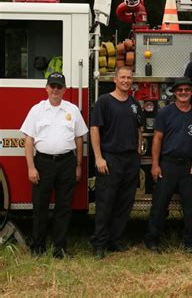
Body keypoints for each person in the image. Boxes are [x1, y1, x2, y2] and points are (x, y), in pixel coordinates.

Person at [20, 72, 88, 258]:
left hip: (67, 162)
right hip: (43, 163)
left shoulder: (72, 110)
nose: (55, 90)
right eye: (53, 86)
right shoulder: (37, 110)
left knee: (64, 207)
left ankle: (59, 248)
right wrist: (31, 167)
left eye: (59, 87)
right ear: (46, 88)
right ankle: (38, 247)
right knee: (40, 207)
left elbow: (79, 138)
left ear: (65, 89)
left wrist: (78, 165)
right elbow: (28, 140)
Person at [144, 77, 192, 253]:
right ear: (174, 93)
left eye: (187, 90)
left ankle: (190, 243)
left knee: (190, 207)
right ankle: (152, 240)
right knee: (160, 205)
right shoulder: (165, 113)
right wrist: (155, 165)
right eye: (180, 90)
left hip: (189, 166)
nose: (183, 93)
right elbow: (157, 139)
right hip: (168, 165)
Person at [90, 66, 143, 259]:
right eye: (122, 77)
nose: (126, 81)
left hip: (130, 159)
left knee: (124, 203)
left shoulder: (135, 104)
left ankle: (115, 240)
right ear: (115, 79)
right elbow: (95, 129)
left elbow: (139, 128)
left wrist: (138, 150)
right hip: (110, 158)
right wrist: (98, 157)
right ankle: (99, 244)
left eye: (129, 78)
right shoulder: (104, 101)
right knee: (105, 202)